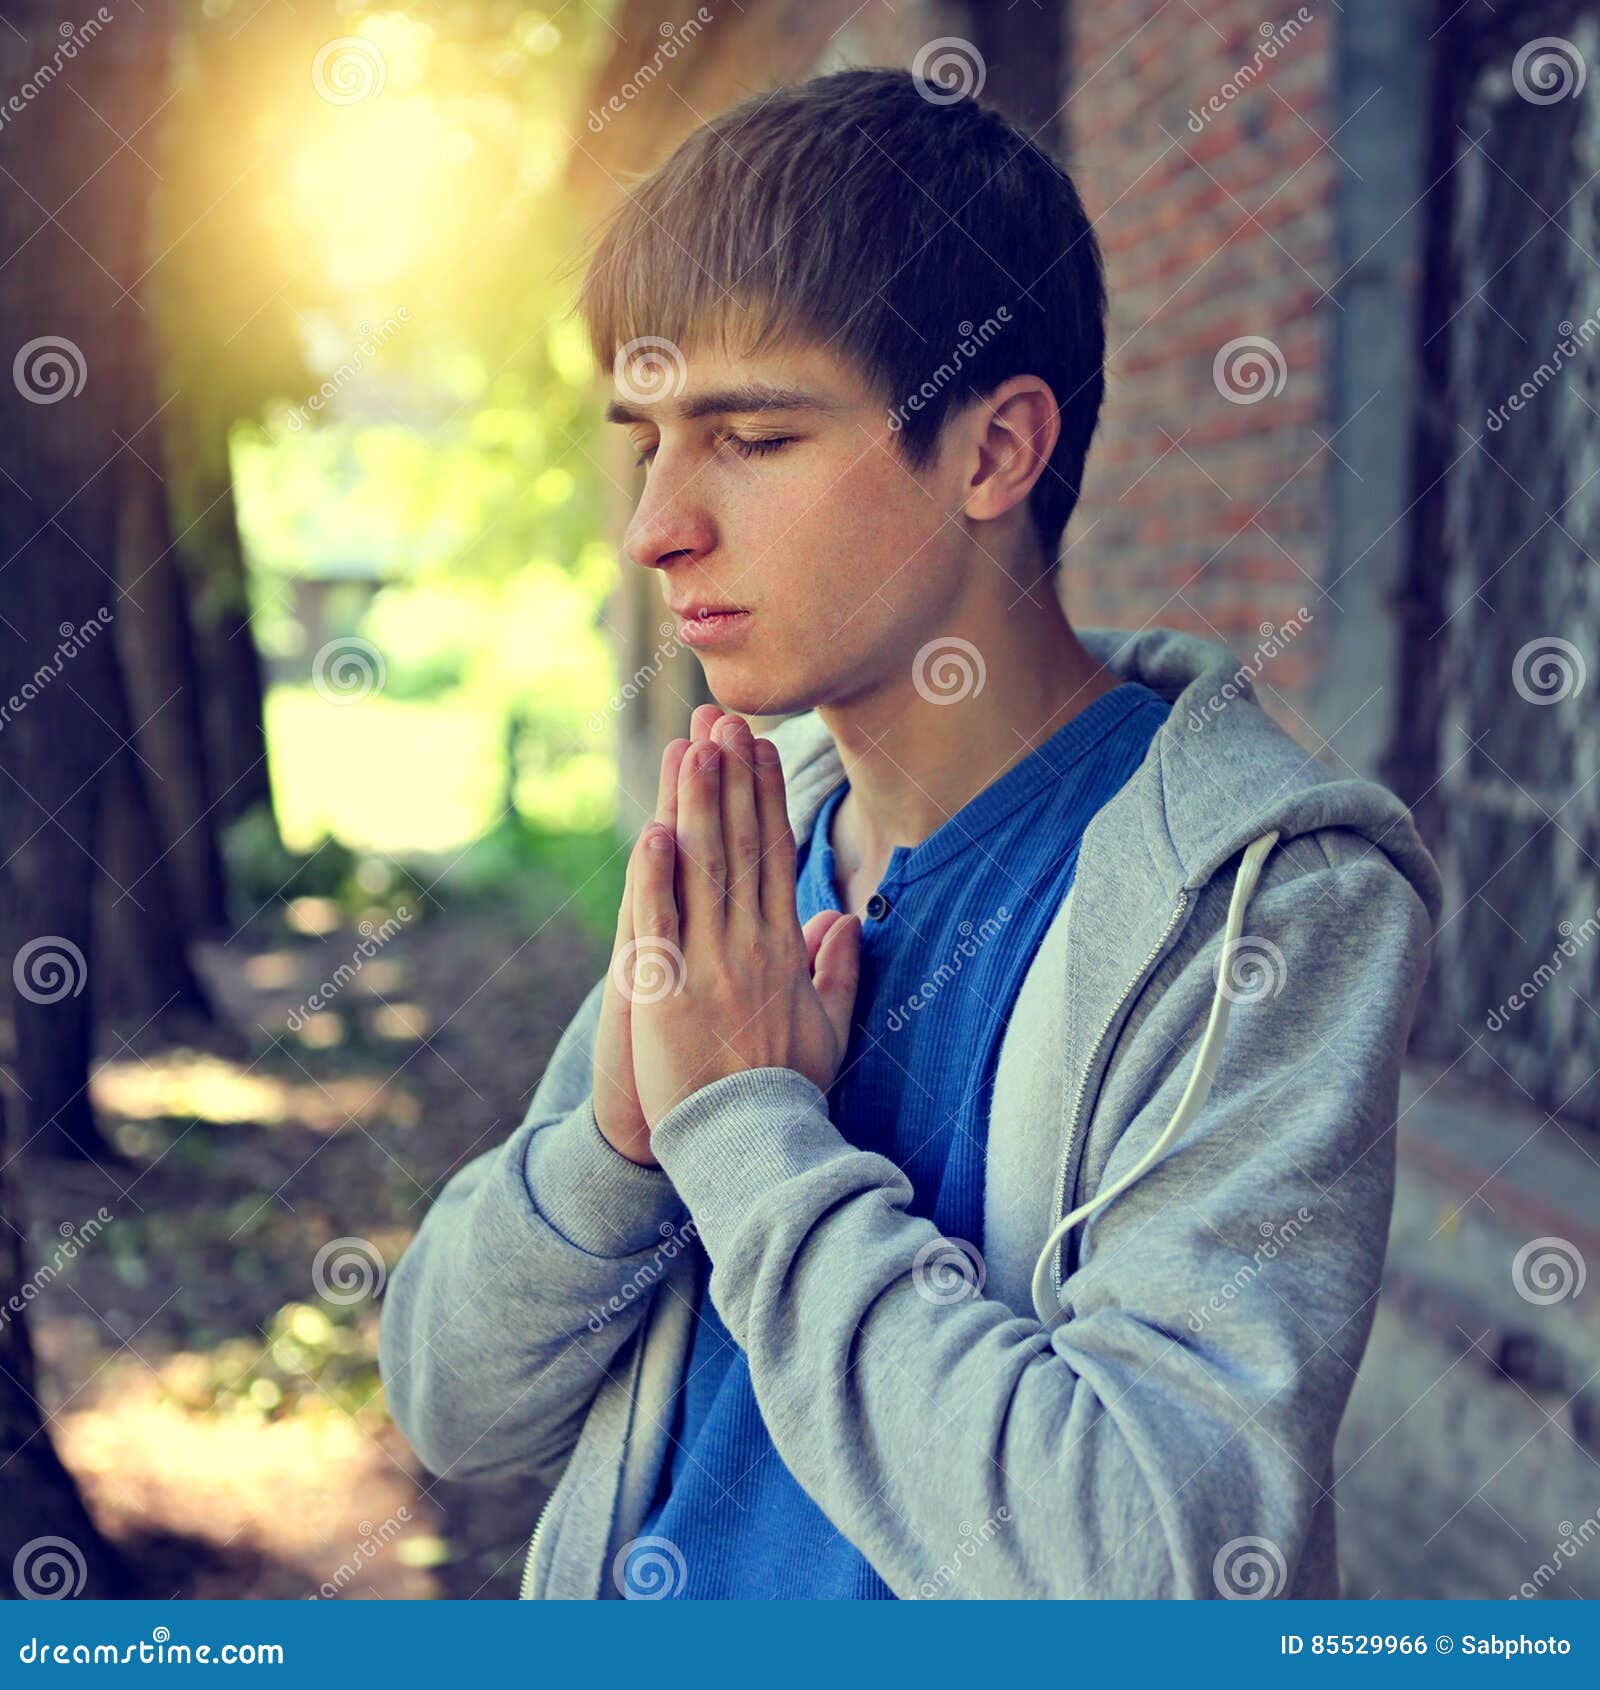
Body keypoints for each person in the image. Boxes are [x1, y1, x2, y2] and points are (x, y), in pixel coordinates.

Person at [377, 66, 1441, 1600]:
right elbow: (453, 1404)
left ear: (994, 453)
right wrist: (619, 1144)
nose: (655, 523)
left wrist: (743, 1131)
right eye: (648, 437)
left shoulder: (1266, 903)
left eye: (750, 435)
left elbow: (1167, 1569)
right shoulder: (747, 839)